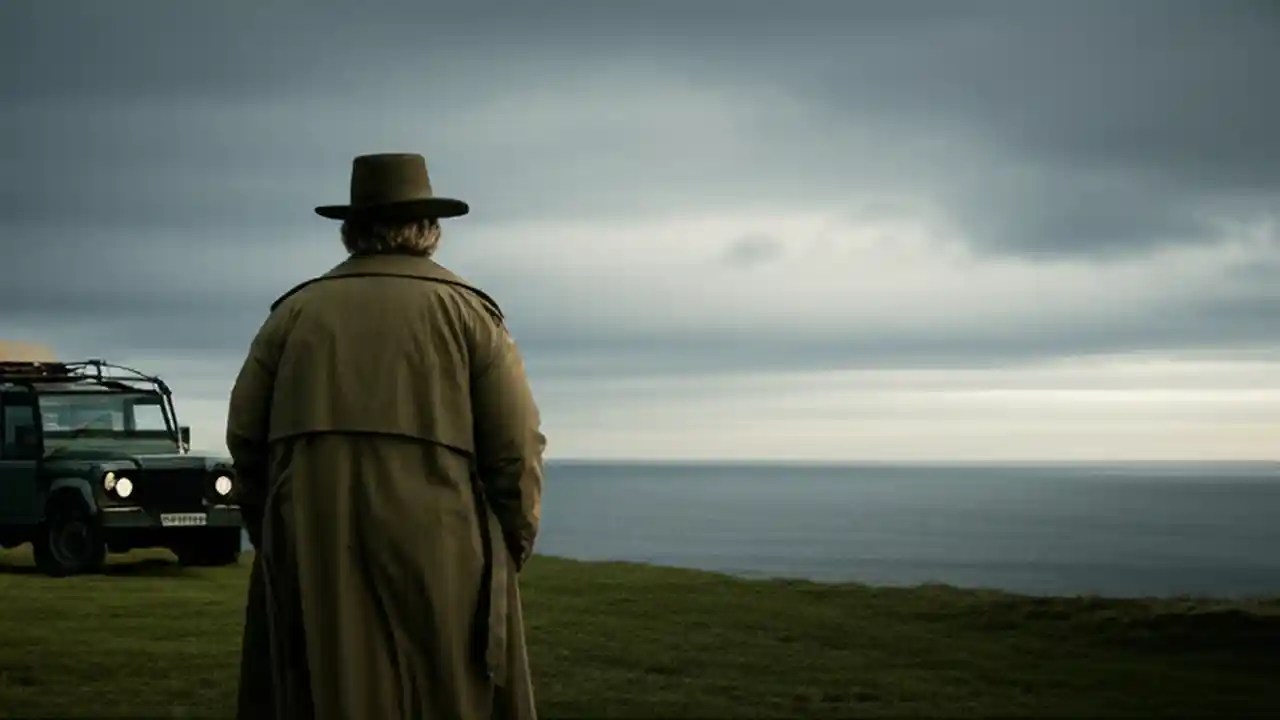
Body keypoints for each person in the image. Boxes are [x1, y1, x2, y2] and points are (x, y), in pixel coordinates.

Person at [227, 153, 546, 720]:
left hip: (313, 536)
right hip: (444, 544)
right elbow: (516, 448)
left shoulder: (293, 315)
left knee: (321, 689)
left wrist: (278, 534)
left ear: (351, 231)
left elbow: (245, 439)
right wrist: (506, 550)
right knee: (447, 691)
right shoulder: (470, 315)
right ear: (430, 230)